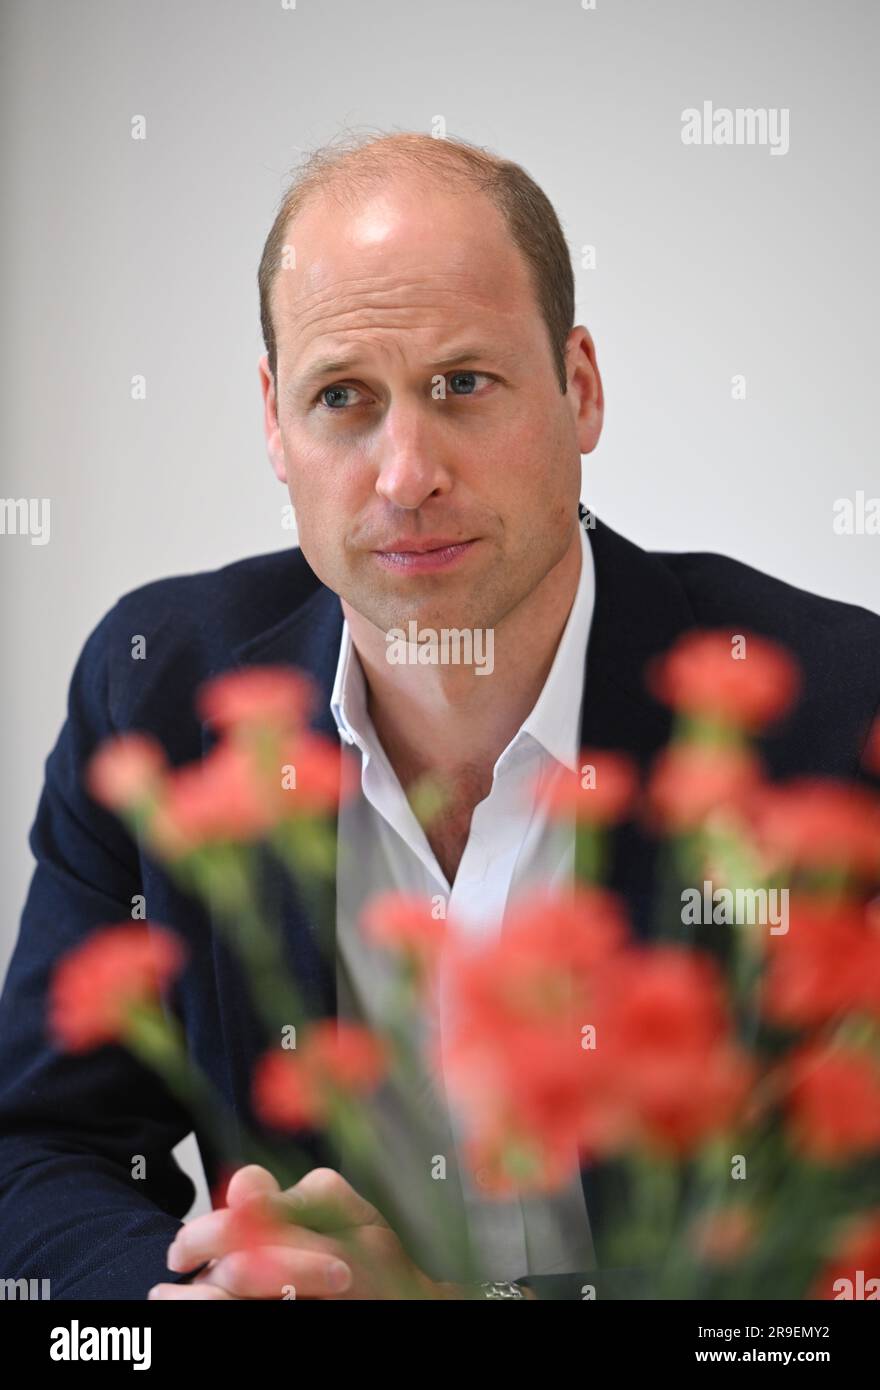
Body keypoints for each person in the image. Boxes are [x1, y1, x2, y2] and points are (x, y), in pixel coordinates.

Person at [1, 132, 877, 1301]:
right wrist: (185, 1303)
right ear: (274, 421)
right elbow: (38, 1151)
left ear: (580, 388)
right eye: (342, 399)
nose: (404, 473)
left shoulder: (834, 711)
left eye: (462, 384)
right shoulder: (154, 692)